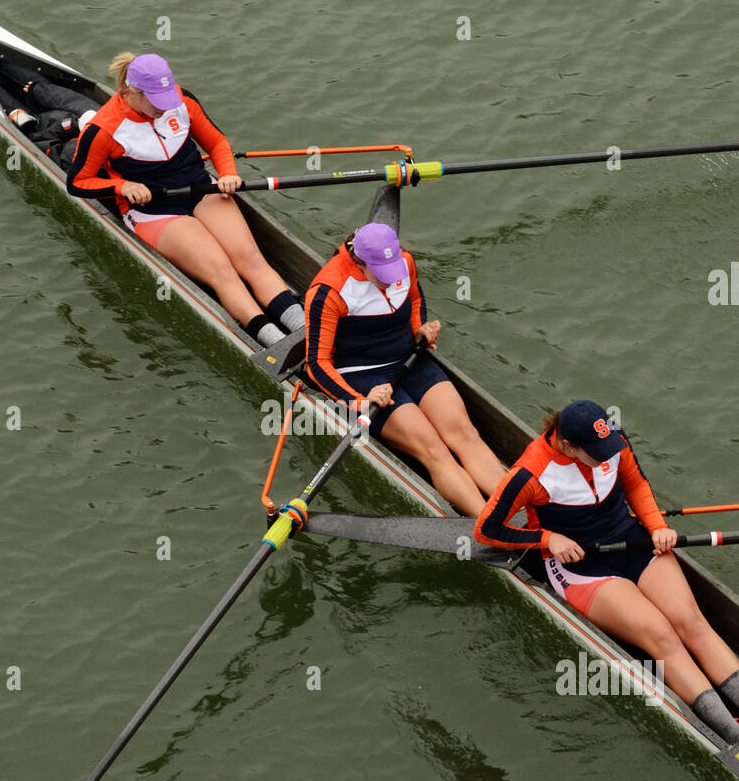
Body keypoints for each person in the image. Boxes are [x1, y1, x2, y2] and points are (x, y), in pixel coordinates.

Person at [474, 400, 739, 743]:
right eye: (597, 452)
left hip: (634, 541)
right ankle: (732, 734)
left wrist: (657, 526)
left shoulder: (613, 442)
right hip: (583, 566)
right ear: (568, 445)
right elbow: (486, 530)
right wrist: (547, 538)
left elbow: (637, 486)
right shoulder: (530, 473)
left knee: (690, 621)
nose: (608, 454)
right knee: (661, 636)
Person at [66, 52, 304, 346]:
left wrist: (228, 172)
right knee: (222, 271)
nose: (165, 107)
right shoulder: (102, 130)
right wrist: (122, 186)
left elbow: (217, 142)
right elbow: (77, 183)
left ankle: (305, 328)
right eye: (156, 100)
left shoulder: (183, 101)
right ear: (130, 92)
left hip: (201, 188)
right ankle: (279, 344)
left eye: (167, 96)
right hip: (154, 211)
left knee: (249, 258)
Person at [304, 220, 506, 515]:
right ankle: (492, 527)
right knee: (434, 449)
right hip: (363, 377)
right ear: (361, 263)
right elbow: (316, 365)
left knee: (465, 433)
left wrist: (419, 330)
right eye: (383, 276)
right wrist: (358, 402)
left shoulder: (404, 261)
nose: (391, 279)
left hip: (410, 359)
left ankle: (523, 514)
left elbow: (414, 298)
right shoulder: (328, 291)